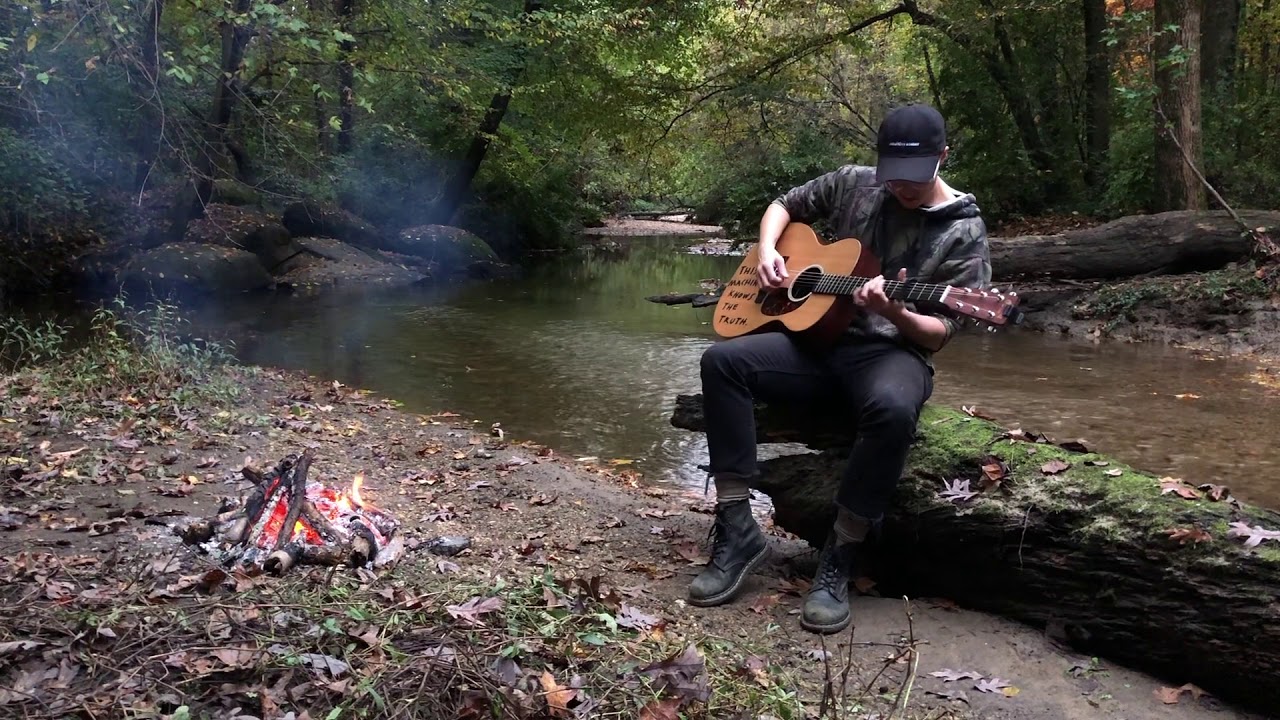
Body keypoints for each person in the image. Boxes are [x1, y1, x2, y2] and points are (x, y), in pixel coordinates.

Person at [688, 103, 992, 634]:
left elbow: (943, 334)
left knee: (895, 407)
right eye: (893, 177)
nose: (902, 188)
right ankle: (737, 527)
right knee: (722, 362)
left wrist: (896, 310)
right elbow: (783, 205)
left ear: (943, 157)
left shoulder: (963, 230)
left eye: (915, 178)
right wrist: (765, 251)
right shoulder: (854, 183)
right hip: (814, 346)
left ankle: (840, 555)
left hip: (890, 354)